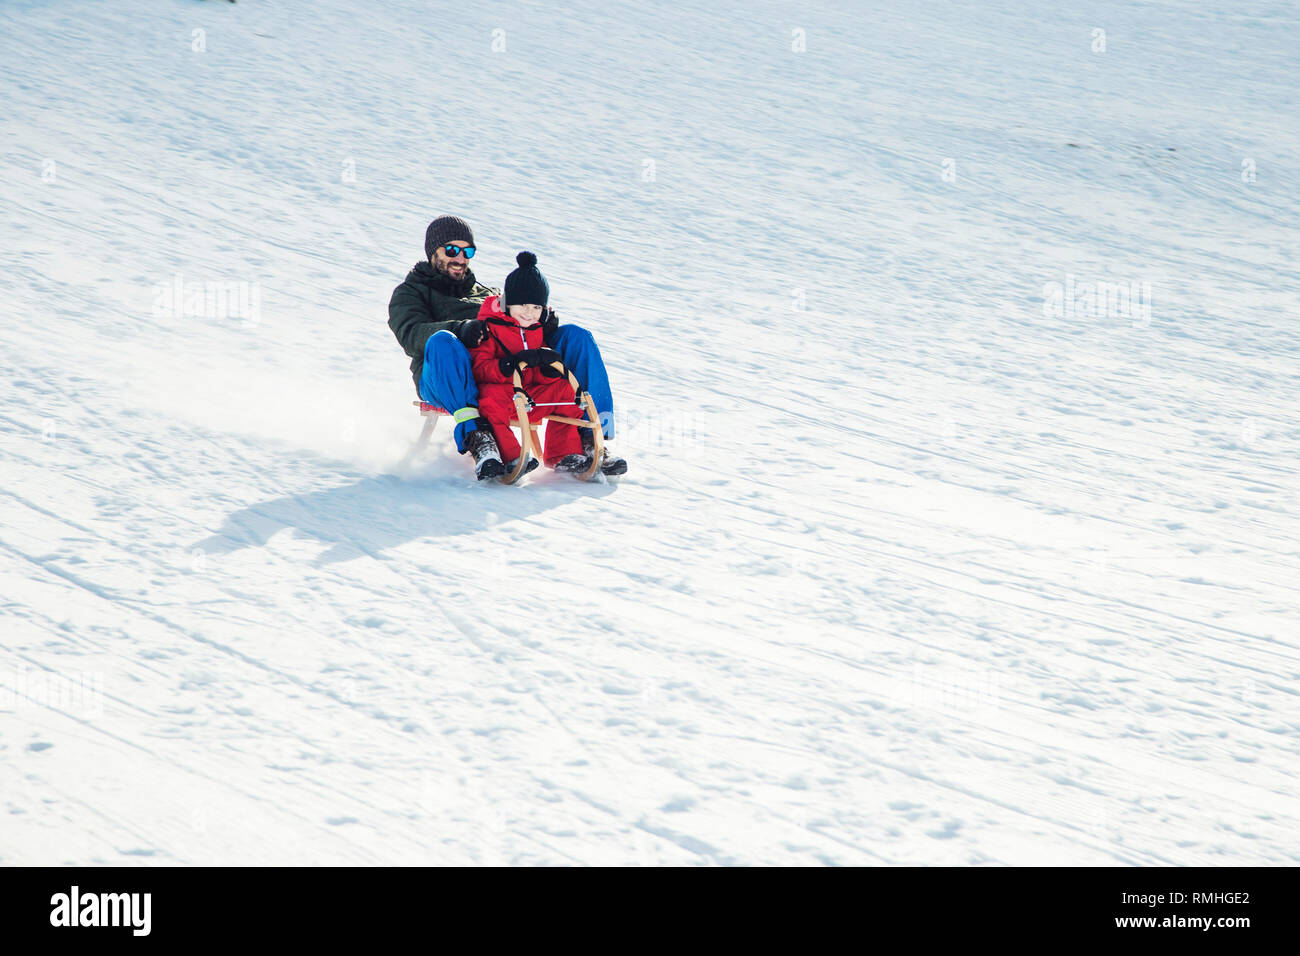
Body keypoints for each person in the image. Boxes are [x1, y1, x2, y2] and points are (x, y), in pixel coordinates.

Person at [387, 215, 626, 478]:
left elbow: (517, 324)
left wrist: (541, 325)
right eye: (452, 250)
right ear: (433, 251)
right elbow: (410, 334)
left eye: (468, 251)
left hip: (500, 374)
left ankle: (590, 435)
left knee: (576, 337)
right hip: (444, 377)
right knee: (444, 341)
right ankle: (479, 436)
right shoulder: (411, 292)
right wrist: (460, 329)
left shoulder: (487, 293)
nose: (460, 258)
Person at [468, 252, 592, 478]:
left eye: (537, 307)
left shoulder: (536, 329)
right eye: (523, 304)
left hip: (528, 398)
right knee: (491, 399)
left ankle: (563, 454)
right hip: (503, 395)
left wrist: (546, 371)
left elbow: (537, 377)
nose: (529, 312)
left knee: (566, 390)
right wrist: (505, 365)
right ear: (508, 303)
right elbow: (478, 368)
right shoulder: (489, 327)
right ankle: (512, 456)